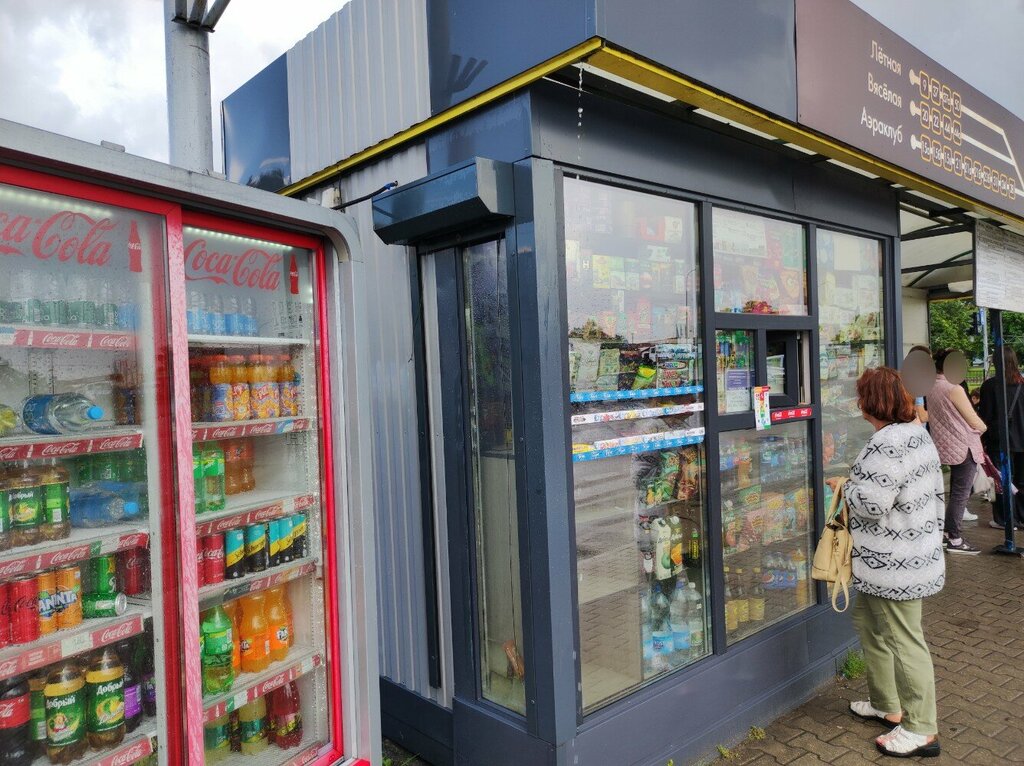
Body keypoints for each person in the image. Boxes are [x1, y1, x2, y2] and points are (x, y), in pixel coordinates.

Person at [827, 367, 943, 758]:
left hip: (896, 567)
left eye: (861, 395)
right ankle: (887, 704)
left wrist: (847, 487)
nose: (858, 402)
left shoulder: (889, 443)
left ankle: (921, 728)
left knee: (905, 641)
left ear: (871, 402)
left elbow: (874, 504)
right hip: (902, 562)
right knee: (869, 625)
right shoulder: (914, 433)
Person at [926, 349, 987, 553]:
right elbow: (972, 419)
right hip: (964, 445)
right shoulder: (954, 388)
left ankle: (946, 533)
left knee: (956, 491)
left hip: (946, 444)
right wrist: (984, 428)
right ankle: (954, 538)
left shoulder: (931, 384)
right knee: (961, 493)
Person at [978, 347, 1024, 529]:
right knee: (1021, 480)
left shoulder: (990, 386)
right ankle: (1021, 516)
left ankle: (1005, 519)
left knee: (1002, 479)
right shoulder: (1022, 383)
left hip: (1000, 441)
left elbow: (985, 416)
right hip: (1022, 439)